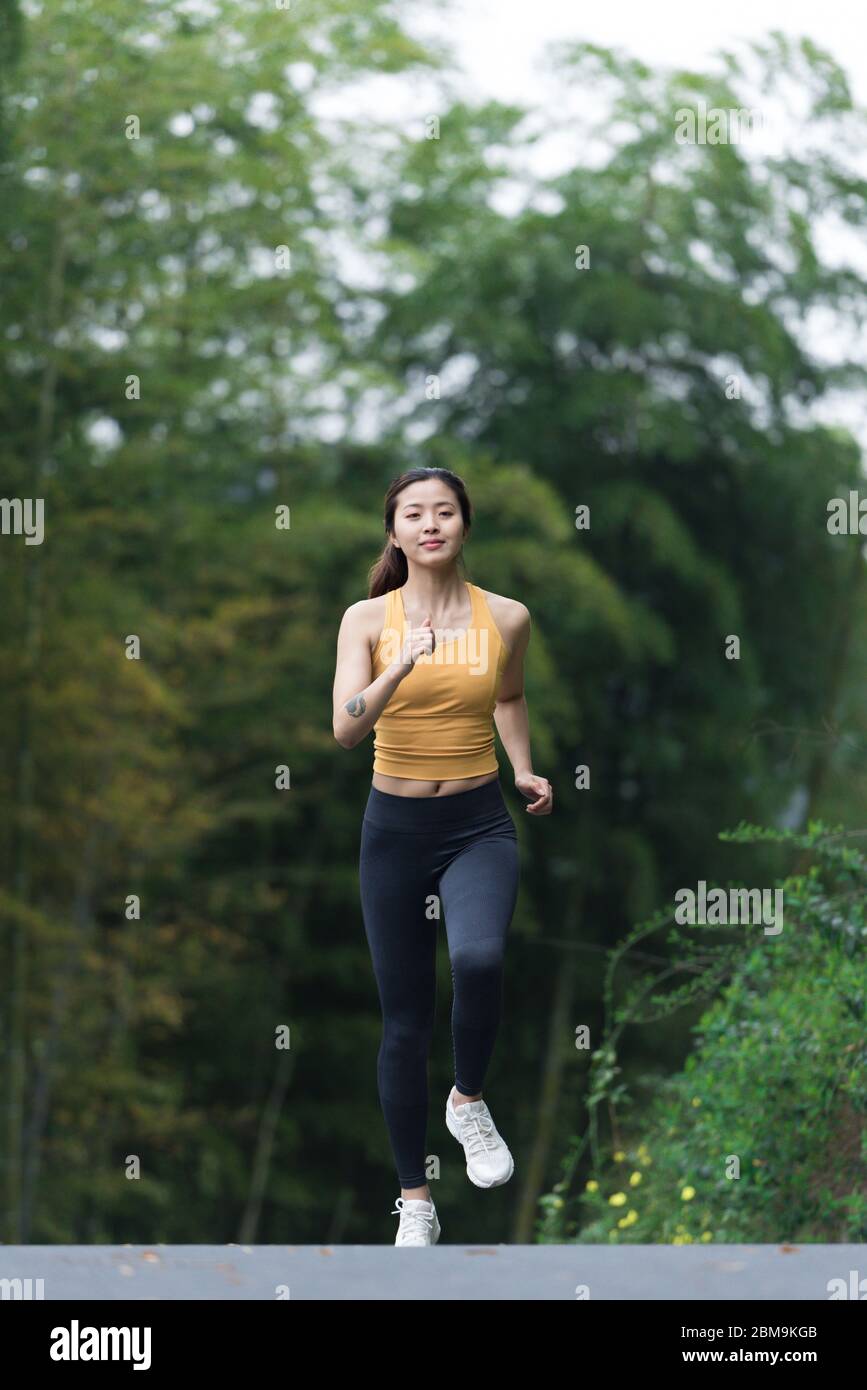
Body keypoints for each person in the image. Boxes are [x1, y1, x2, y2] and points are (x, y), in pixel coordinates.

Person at [332, 467, 553, 1245]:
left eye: (445, 512)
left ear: (464, 525)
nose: (431, 524)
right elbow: (346, 727)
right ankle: (415, 1201)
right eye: (414, 514)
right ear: (393, 533)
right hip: (392, 832)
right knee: (404, 1022)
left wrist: (520, 766)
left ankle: (466, 1100)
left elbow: (509, 696)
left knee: (482, 961)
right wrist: (402, 662)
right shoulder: (365, 619)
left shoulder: (507, 618)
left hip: (476, 824)